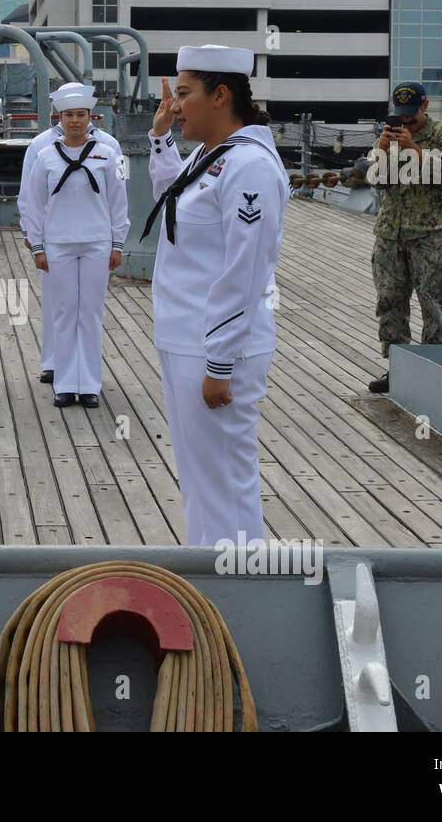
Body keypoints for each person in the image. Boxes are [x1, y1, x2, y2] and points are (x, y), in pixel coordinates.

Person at [144, 45, 288, 546]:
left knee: (225, 481)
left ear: (221, 95)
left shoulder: (249, 166)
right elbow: (174, 203)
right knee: (203, 481)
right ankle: (212, 578)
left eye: (184, 94)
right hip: (187, 338)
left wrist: (220, 364)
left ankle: (240, 591)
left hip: (215, 349)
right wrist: (162, 139)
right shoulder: (213, 155)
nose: (175, 104)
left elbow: (244, 272)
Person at [19, 85, 129, 408]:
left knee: (91, 313)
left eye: (81, 115)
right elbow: (34, 204)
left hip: (97, 242)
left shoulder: (107, 154)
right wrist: (37, 245)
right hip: (59, 244)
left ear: (90, 117)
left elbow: (118, 202)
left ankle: (90, 384)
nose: (76, 121)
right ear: (60, 117)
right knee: (65, 313)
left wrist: (118, 242)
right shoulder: (44, 156)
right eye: (69, 115)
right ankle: (66, 383)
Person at [359, 81, 442, 393]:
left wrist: (414, 150)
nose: (406, 122)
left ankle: (436, 374)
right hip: (390, 233)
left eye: (411, 115)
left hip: (429, 235)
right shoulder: (388, 138)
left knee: (433, 305)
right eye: (400, 115)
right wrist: (381, 150)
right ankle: (399, 370)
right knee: (389, 302)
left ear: (425, 107)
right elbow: (377, 181)